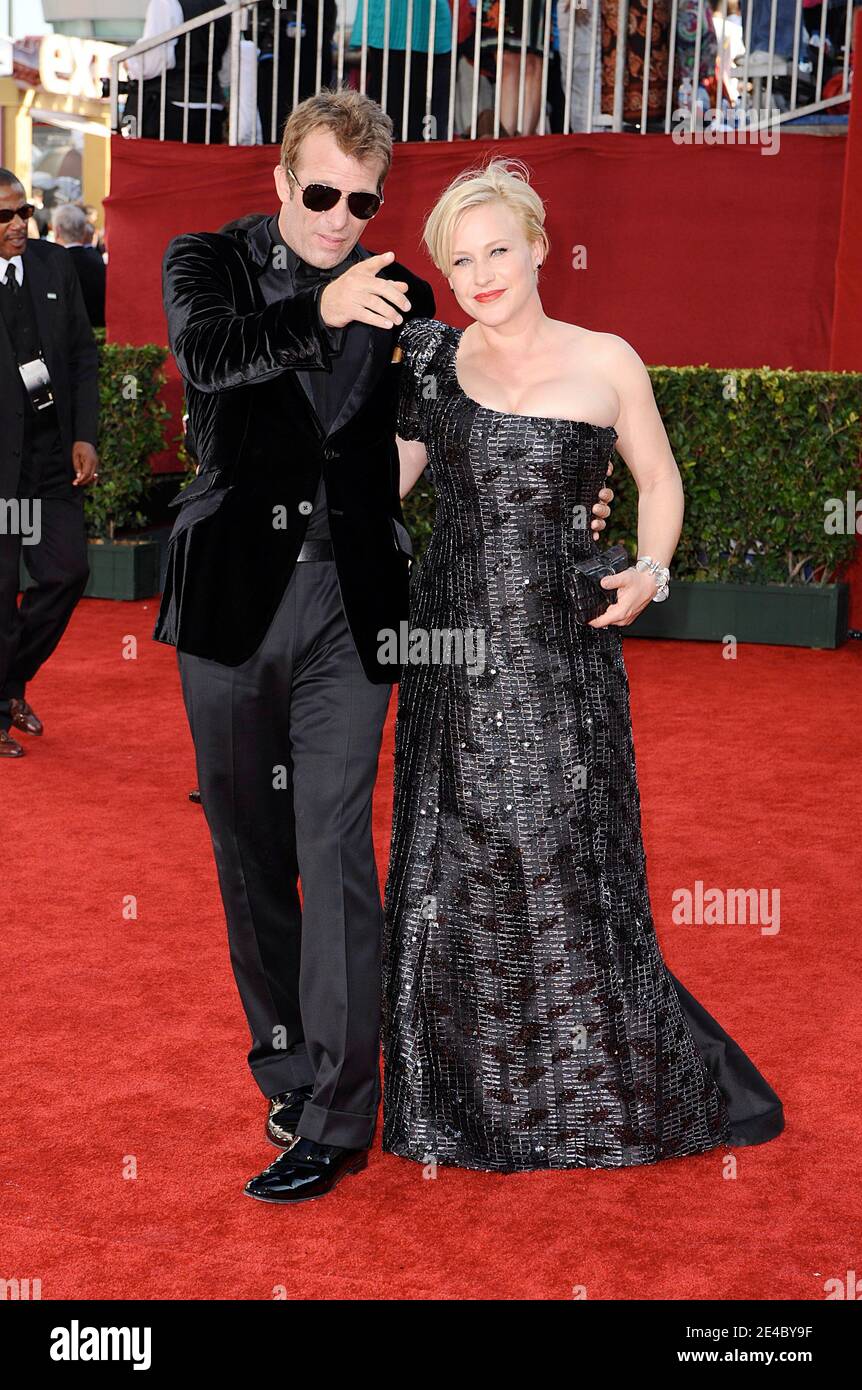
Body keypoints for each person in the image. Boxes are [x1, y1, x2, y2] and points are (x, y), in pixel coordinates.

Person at [153, 89, 615, 1203]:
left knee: (333, 848)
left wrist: (572, 497)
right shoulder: (204, 261)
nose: (338, 218)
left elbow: (471, 409)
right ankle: (286, 1060)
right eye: (319, 194)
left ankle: (340, 1112)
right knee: (249, 850)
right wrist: (319, 314)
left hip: (352, 611)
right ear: (280, 182)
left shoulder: (406, 294)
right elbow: (208, 358)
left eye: (360, 201)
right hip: (228, 606)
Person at [385, 157, 785, 1170]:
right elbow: (382, 486)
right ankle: (466, 1108)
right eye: (460, 258)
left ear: (537, 249)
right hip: (454, 649)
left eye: (497, 251)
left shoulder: (607, 359)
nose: (480, 274)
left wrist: (650, 568)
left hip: (565, 650)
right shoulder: (432, 363)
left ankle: (592, 1096)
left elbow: (658, 479)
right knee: (458, 858)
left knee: (569, 848)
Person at [0, 168, 99, 759]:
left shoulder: (54, 264)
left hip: (50, 457)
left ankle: (9, 686)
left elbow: (83, 357)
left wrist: (84, 435)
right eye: (4, 217)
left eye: (24, 213)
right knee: (2, 591)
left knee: (67, 573)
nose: (18, 225)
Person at [52, 204, 106, 329]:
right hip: (98, 334)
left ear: (57, 231)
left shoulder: (53, 265)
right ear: (83, 231)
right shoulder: (97, 262)